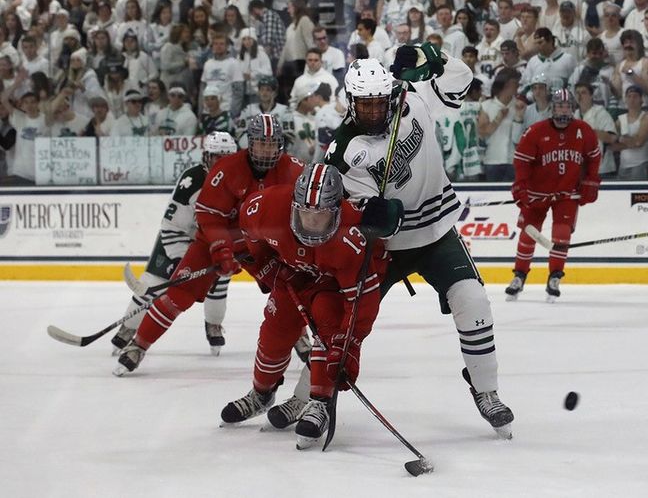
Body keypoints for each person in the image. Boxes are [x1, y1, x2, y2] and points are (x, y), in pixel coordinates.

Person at [324, 53, 515, 438]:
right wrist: (369, 215)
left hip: (435, 232)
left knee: (473, 300)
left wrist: (434, 55)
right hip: (384, 250)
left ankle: (487, 390)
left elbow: (461, 77)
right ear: (351, 101)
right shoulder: (342, 149)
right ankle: (314, 396)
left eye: (380, 102)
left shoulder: (414, 96)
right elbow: (341, 206)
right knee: (343, 321)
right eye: (366, 104)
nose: (374, 111)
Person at [115, 114, 303, 375]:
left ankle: (301, 340)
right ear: (250, 143)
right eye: (261, 143)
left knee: (290, 290)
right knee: (178, 296)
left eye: (272, 144)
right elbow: (209, 216)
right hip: (215, 242)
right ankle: (138, 345)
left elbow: (302, 211)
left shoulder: (293, 169)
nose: (267, 149)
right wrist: (222, 249)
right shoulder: (227, 168)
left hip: (261, 245)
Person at [218, 163, 387, 449]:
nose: (310, 224)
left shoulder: (351, 237)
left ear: (336, 209)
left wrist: (349, 348)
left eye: (319, 217)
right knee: (274, 333)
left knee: (329, 332)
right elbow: (243, 239)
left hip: (332, 286)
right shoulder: (266, 208)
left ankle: (320, 402)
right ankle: (261, 393)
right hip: (291, 277)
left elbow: (361, 304)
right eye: (304, 214)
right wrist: (266, 269)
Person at [110, 132, 239, 353]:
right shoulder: (193, 180)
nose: (222, 164)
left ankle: (213, 324)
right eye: (217, 157)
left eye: (226, 158)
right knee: (152, 283)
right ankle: (128, 328)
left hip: (213, 242)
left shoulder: (239, 182)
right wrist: (183, 260)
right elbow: (173, 225)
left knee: (219, 281)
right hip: (176, 237)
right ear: (206, 156)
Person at [506, 88, 601, 301]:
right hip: (537, 192)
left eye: (567, 106)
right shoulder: (535, 131)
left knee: (562, 233)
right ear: (553, 107)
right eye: (560, 106)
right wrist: (520, 185)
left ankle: (554, 276)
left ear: (573, 108)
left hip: (566, 193)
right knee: (528, 233)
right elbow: (522, 161)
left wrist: (591, 180)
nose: (564, 110)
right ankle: (519, 275)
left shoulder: (583, 130)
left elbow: (594, 156)